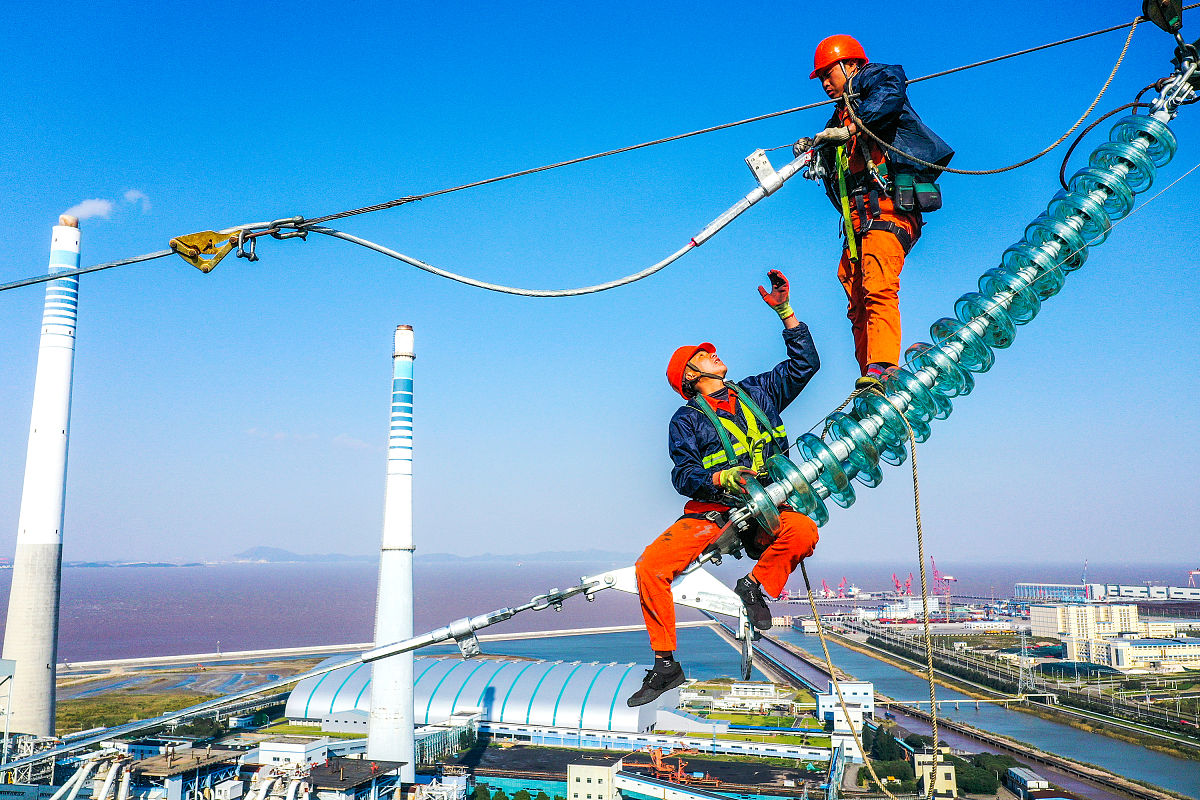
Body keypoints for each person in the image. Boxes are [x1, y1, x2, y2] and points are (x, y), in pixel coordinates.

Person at [627, 270, 821, 707]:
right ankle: (665, 664)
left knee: (805, 531)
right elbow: (683, 476)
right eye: (704, 355)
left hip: (764, 507)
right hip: (711, 515)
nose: (714, 355)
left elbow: (805, 365)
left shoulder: (758, 392)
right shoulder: (687, 420)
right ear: (691, 376)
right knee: (650, 569)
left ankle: (752, 587)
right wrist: (721, 479)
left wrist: (786, 314)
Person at [796, 35, 953, 389]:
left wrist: (848, 128)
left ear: (851, 65)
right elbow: (838, 172)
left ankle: (883, 367)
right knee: (855, 295)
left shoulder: (875, 81)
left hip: (886, 210)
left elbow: (889, 92)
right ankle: (870, 373)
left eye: (827, 73)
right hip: (857, 220)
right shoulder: (839, 116)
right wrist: (817, 149)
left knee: (878, 285)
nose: (824, 84)